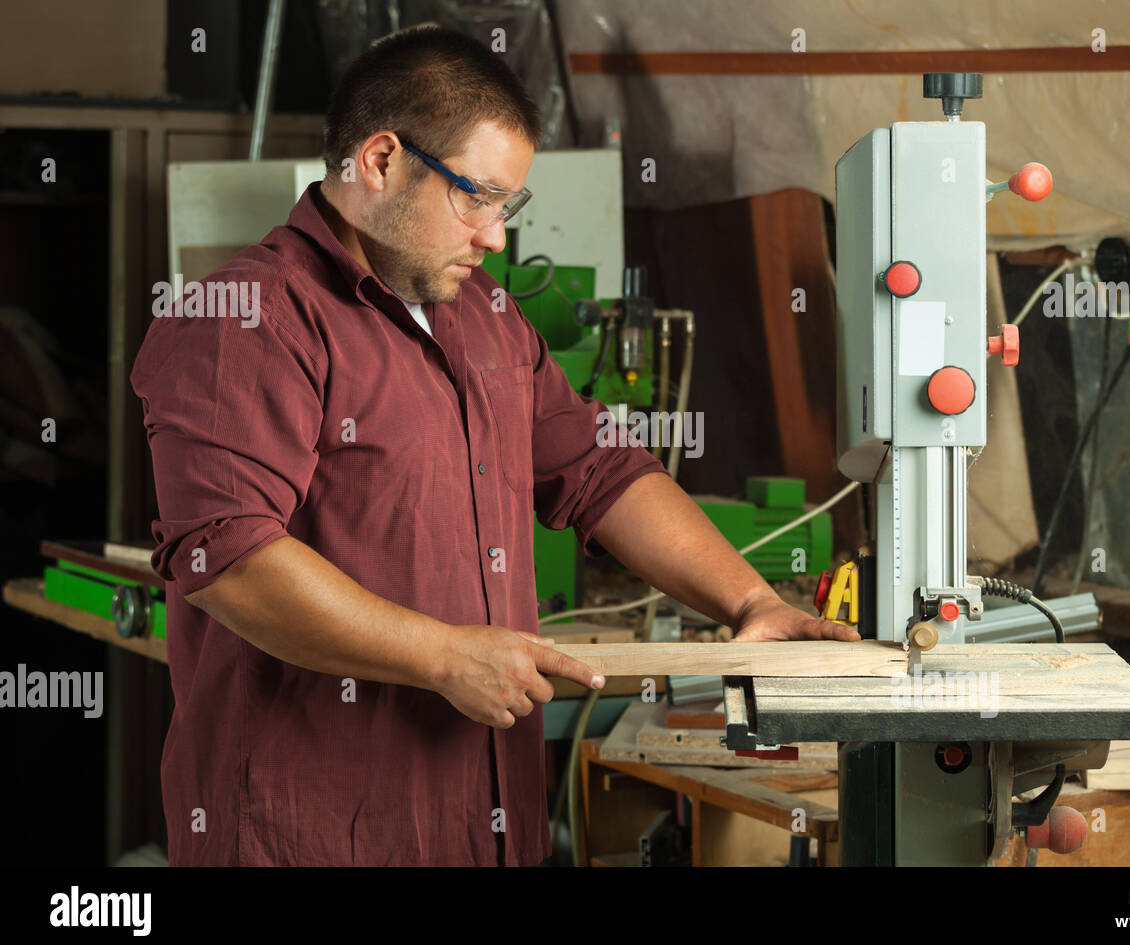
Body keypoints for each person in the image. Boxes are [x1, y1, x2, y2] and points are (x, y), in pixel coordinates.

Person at [130, 25, 857, 866]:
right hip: (311, 832)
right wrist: (443, 656)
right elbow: (230, 560)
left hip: (481, 824)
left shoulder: (485, 319)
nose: (495, 237)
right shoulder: (247, 319)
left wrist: (751, 603)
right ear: (380, 162)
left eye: (508, 206)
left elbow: (600, 470)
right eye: (476, 196)